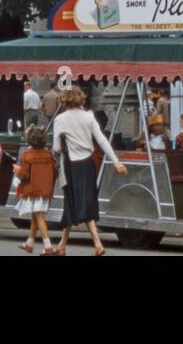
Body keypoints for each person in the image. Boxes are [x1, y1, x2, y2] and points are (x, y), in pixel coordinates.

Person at [50, 86, 126, 256]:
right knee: (84, 201)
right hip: (88, 163)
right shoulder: (89, 117)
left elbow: (55, 147)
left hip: (71, 165)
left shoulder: (60, 119)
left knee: (74, 203)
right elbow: (102, 140)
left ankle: (97, 243)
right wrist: (116, 161)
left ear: (64, 101)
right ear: (80, 99)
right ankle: (62, 246)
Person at [12, 125, 57, 255]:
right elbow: (55, 171)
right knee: (35, 216)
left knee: (39, 216)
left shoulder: (27, 155)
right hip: (45, 190)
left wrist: (17, 172)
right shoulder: (49, 155)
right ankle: (30, 243)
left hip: (33, 190)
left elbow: (24, 173)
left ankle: (48, 246)